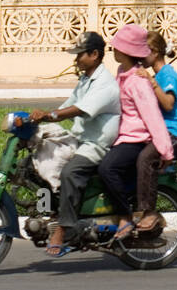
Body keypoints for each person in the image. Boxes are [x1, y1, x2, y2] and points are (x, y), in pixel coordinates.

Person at [30, 31, 121, 258]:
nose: (77, 59)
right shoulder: (85, 81)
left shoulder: (105, 84)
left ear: (95, 55)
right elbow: (67, 106)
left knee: (70, 172)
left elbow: (79, 109)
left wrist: (50, 115)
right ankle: (49, 211)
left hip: (95, 144)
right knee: (34, 159)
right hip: (79, 139)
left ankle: (65, 229)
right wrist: (42, 118)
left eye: (81, 54)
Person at [98, 24, 174, 242]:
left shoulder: (138, 81)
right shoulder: (122, 74)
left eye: (118, 47)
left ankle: (126, 216)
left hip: (136, 140)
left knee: (107, 168)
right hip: (122, 137)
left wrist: (166, 151)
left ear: (128, 51)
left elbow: (153, 118)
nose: (113, 50)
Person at [132, 30, 177, 234]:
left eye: (143, 52)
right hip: (163, 132)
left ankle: (148, 212)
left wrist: (151, 81)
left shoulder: (167, 75)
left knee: (144, 159)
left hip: (175, 135)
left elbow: (168, 104)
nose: (140, 57)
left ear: (156, 52)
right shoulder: (161, 74)